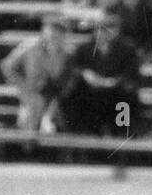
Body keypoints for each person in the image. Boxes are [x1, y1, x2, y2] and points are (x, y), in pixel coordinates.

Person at [61, 8, 142, 136]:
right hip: (90, 93)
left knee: (126, 101)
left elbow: (132, 74)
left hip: (117, 93)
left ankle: (121, 139)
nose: (105, 32)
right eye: (102, 28)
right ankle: (82, 138)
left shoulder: (128, 50)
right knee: (74, 98)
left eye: (110, 28)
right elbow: (73, 69)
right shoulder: (84, 49)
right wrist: (85, 74)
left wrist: (113, 81)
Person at [1, 15, 72, 133]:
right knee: (35, 107)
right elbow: (8, 67)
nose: (55, 35)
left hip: (53, 97)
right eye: (52, 31)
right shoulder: (30, 46)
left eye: (59, 32)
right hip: (28, 91)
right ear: (44, 31)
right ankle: (28, 144)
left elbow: (62, 82)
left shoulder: (66, 54)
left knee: (50, 118)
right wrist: (24, 85)